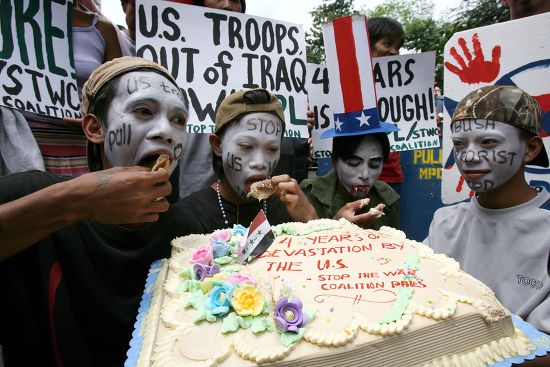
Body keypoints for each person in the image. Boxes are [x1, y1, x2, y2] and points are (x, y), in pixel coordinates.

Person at [0, 57, 188, 366]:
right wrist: (74, 204)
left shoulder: (187, 230)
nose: (166, 132)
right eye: (143, 111)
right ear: (95, 127)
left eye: (179, 120)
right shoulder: (30, 194)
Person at [423, 86, 550, 340]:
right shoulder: (444, 223)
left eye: (488, 142)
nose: (469, 156)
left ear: (531, 148)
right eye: (459, 144)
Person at [174, 88, 317, 234]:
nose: (260, 162)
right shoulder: (186, 217)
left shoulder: (290, 208)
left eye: (272, 149)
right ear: (217, 145)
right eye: (246, 146)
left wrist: (312, 222)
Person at [25, 0, 122, 177]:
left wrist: (100, 121)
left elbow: (117, 94)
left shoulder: (103, 30)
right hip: (22, 144)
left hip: (82, 147)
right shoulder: (9, 15)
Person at [368, 17, 406, 195]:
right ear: (368, 44)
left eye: (398, 47)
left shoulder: (404, 86)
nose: (394, 51)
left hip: (390, 175)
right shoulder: (347, 84)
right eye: (387, 44)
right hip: (353, 175)